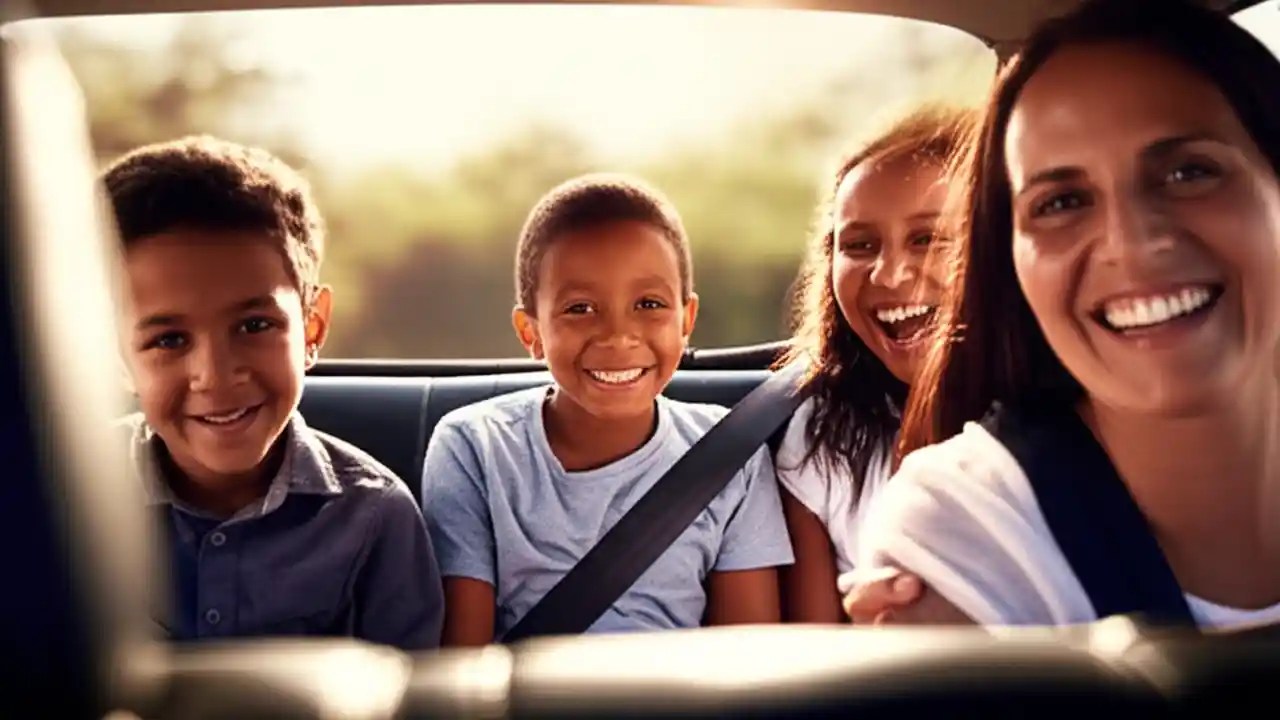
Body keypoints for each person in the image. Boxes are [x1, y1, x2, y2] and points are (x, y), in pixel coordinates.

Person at [856, 0, 1280, 628]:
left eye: (1189, 172)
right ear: (1012, 258)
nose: (1131, 243)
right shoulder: (966, 530)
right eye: (1062, 202)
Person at [422, 174, 794, 646]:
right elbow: (464, 667)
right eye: (580, 308)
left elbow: (748, 659)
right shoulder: (474, 447)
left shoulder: (730, 454)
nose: (618, 336)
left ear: (687, 320)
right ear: (530, 330)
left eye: (649, 304)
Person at [106, 135, 444, 648]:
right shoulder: (58, 499)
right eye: (169, 340)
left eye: (253, 325)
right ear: (113, 355)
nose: (216, 376)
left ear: (312, 328)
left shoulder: (375, 519)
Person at [775, 105, 972, 623]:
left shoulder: (1083, 427)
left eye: (928, 239)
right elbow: (813, 666)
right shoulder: (823, 437)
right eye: (860, 245)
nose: (888, 275)